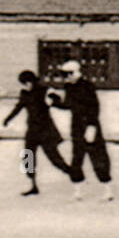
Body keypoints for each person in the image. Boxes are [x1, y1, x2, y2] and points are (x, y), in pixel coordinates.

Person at [3, 69, 79, 195]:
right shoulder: (25, 94)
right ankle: (33, 185)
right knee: (28, 157)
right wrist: (8, 119)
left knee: (54, 157)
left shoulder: (43, 91)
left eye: (26, 82)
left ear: (32, 81)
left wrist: (54, 100)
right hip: (32, 130)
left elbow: (58, 101)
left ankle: (73, 173)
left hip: (45, 131)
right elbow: (18, 107)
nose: (25, 85)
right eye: (23, 83)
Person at [48, 60, 113, 201]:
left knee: (98, 158)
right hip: (76, 127)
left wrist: (91, 126)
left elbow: (94, 107)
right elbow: (68, 105)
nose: (67, 78)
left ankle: (107, 189)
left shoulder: (87, 87)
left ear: (76, 73)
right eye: (65, 75)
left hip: (90, 126)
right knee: (77, 159)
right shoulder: (69, 87)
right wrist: (54, 100)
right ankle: (78, 190)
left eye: (69, 74)